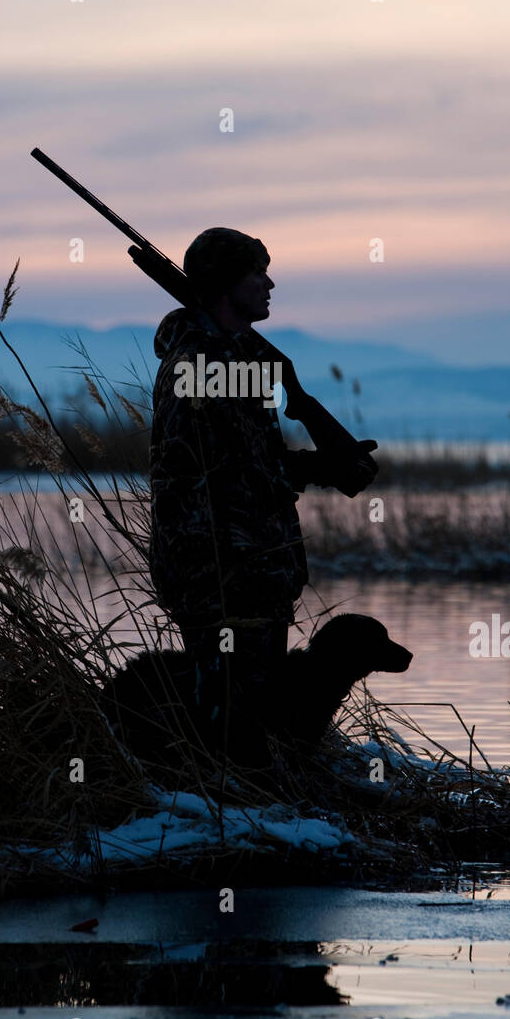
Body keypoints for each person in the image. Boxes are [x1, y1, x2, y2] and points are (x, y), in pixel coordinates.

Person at [148, 227, 377, 764]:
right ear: (228, 285)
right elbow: (211, 475)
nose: (270, 283)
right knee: (229, 726)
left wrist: (325, 463)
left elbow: (249, 460)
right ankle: (230, 826)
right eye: (258, 273)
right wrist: (317, 467)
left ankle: (255, 809)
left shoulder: (235, 361)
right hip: (222, 575)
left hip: (252, 574)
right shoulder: (200, 368)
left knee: (249, 717)